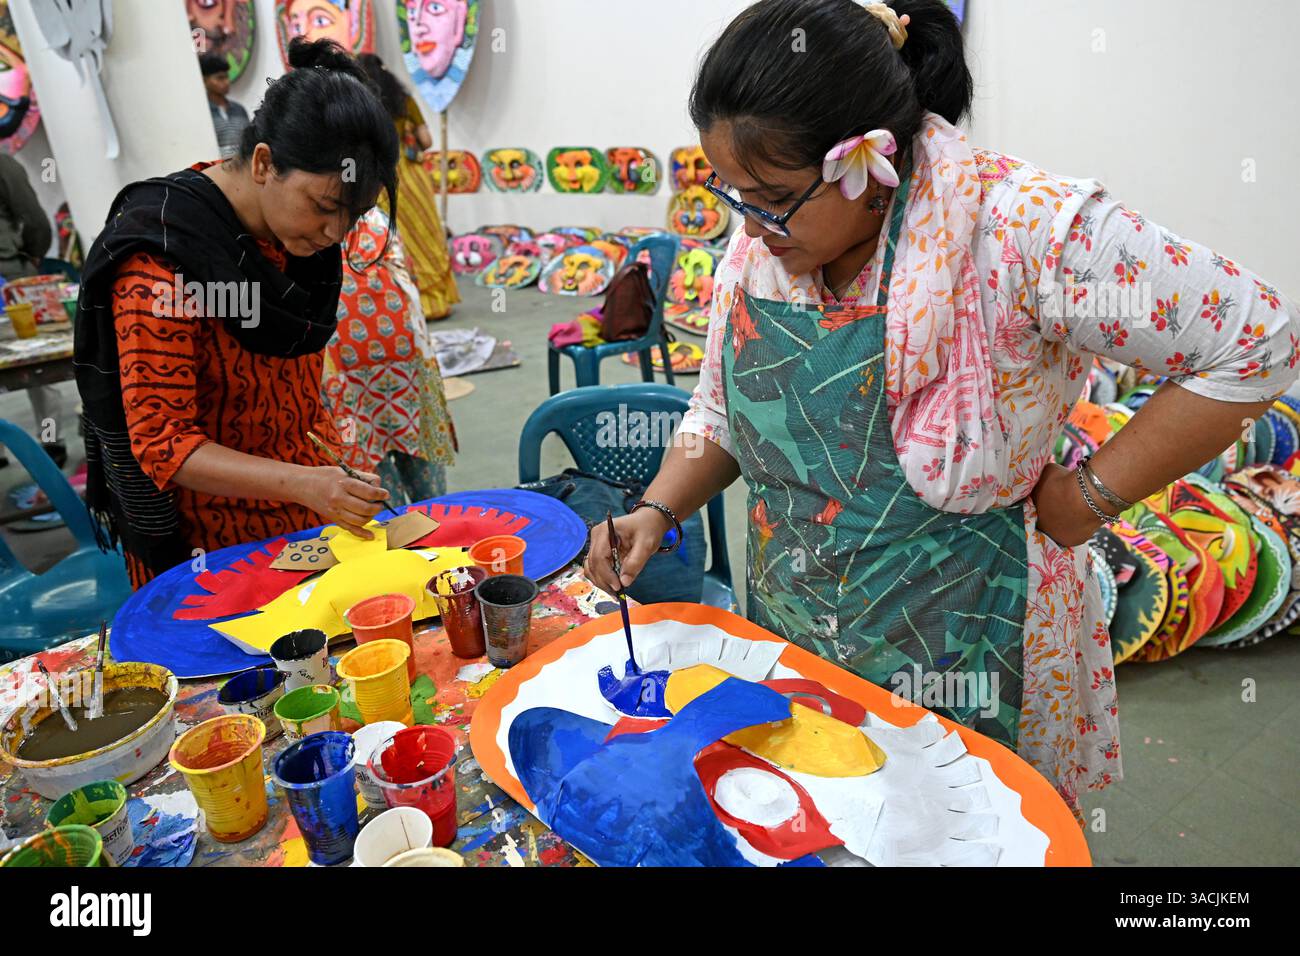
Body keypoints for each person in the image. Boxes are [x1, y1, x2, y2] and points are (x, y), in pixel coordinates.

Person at [583, 0, 1300, 817]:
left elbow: (1254, 338)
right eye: (733, 194)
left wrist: (1085, 497)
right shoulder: (762, 248)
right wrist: (656, 507)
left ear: (864, 163)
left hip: (969, 643)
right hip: (797, 627)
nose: (749, 223)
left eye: (773, 196)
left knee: (960, 823)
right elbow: (720, 407)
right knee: (820, 819)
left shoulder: (1019, 230)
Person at [73, 38, 399, 588]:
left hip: (307, 514)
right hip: (211, 544)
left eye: (354, 216)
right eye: (322, 208)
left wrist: (327, 473)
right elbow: (165, 444)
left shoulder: (300, 240)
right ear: (265, 162)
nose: (334, 235)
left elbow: (291, 382)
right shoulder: (164, 263)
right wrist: (303, 484)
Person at [322, 205, 457, 505]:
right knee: (401, 477)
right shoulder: (375, 216)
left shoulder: (321, 216)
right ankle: (425, 525)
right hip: (378, 360)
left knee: (386, 475)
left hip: (379, 363)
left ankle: (410, 527)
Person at [357, 54, 459, 320]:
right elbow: (427, 140)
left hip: (381, 178)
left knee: (395, 239)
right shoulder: (405, 99)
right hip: (413, 178)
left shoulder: (362, 105)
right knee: (426, 233)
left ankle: (404, 304)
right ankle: (436, 302)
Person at [0, 151, 64, 468]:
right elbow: (33, 217)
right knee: (36, 361)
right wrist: (34, 253)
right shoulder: (3, 163)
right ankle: (51, 442)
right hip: (8, 274)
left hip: (7, 275)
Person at [199, 51, 249, 159]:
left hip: (242, 168)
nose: (226, 82)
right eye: (220, 78)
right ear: (204, 80)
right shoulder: (203, 113)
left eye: (227, 76)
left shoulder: (239, 109)